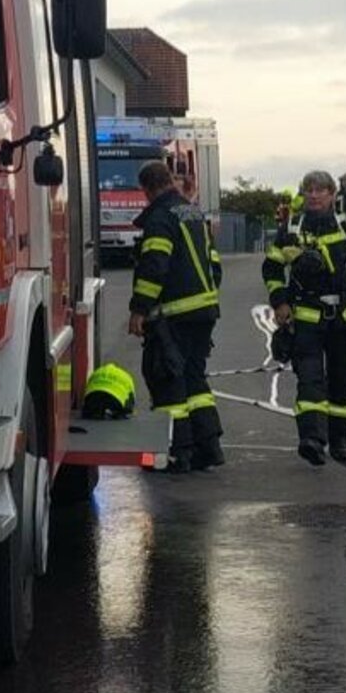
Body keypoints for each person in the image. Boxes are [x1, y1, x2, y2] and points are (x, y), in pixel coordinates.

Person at [262, 170, 346, 466]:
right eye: (309, 190)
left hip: (344, 317)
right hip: (306, 317)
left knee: (342, 381)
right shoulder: (292, 228)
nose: (314, 195)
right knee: (310, 380)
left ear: (332, 195)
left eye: (321, 190)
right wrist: (280, 302)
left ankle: (340, 440)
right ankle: (312, 439)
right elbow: (271, 268)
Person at [127, 160, 226, 472]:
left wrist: (139, 309)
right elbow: (214, 264)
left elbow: (154, 266)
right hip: (204, 310)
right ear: (170, 179)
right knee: (194, 380)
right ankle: (208, 448)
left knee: (166, 379)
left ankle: (176, 453)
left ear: (146, 189)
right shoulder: (193, 213)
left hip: (174, 314)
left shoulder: (160, 218)